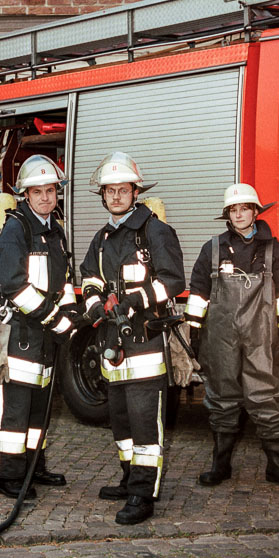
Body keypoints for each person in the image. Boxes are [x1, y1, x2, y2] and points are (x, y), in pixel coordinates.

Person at [80, 152, 185, 524]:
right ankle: (128, 479)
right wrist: (95, 305)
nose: (116, 197)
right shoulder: (103, 238)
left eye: (122, 190)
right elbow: (89, 276)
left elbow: (174, 279)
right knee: (121, 421)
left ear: (135, 191)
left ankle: (143, 494)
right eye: (109, 191)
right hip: (113, 345)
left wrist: (137, 300)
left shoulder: (154, 231)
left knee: (144, 423)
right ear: (104, 196)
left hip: (144, 343)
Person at [185, 183, 279, 489]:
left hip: (261, 337)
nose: (239, 214)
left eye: (244, 209)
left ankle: (277, 467)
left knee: (266, 397)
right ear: (228, 214)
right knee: (221, 398)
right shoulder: (212, 249)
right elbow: (199, 292)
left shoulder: (272, 249)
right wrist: (194, 330)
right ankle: (220, 465)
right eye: (233, 210)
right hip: (221, 338)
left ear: (255, 212)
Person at [0, 154, 77, 499]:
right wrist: (56, 319)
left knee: (40, 405)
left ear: (57, 193)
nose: (45, 197)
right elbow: (14, 286)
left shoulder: (56, 231)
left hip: (45, 335)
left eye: (50, 190)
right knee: (16, 408)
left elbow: (63, 280)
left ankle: (34, 466)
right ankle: (8, 476)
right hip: (20, 334)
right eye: (37, 192)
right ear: (25, 195)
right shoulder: (15, 229)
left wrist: (70, 312)